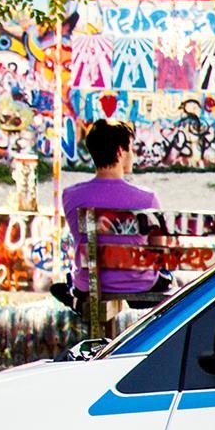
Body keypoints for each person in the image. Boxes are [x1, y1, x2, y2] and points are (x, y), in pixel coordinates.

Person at [54, 118, 164, 313]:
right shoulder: (147, 199)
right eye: (130, 149)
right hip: (139, 284)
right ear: (120, 152)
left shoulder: (70, 196)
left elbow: (78, 237)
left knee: (74, 278)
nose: (133, 155)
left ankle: (75, 299)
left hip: (89, 284)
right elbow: (159, 249)